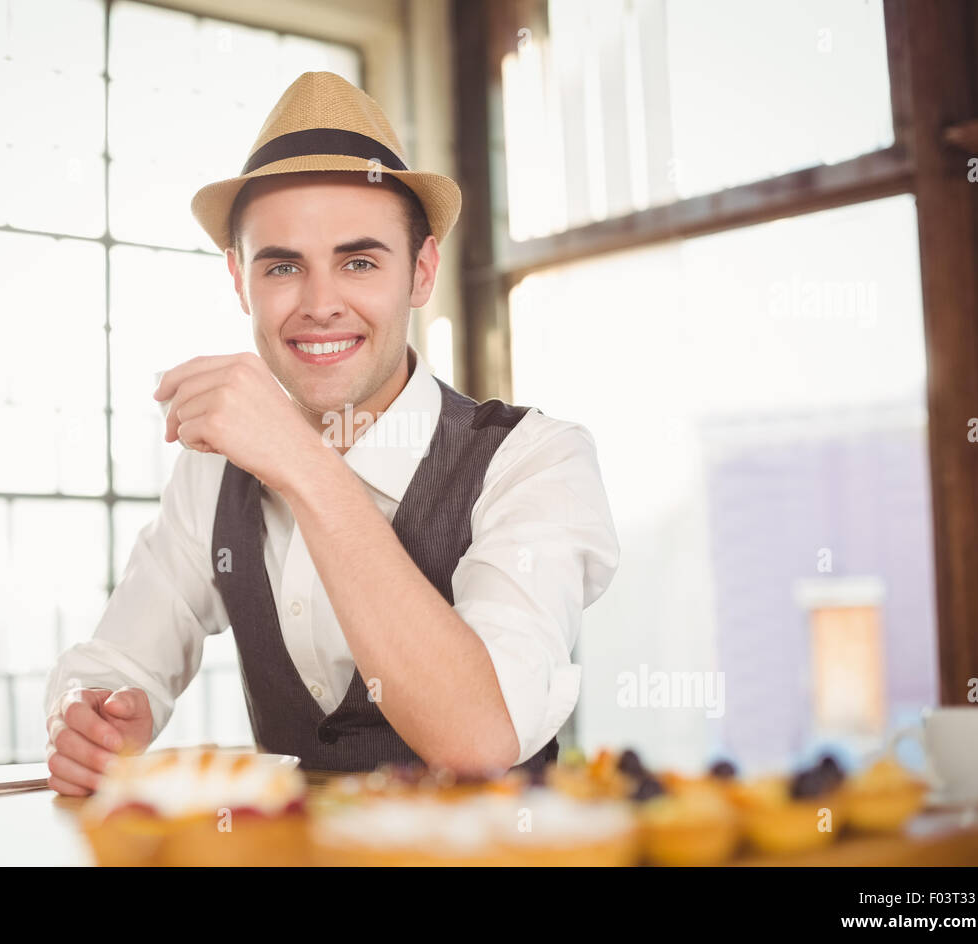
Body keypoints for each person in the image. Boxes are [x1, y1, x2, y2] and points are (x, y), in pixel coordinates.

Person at [43, 71, 619, 795]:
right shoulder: (212, 474)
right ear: (238, 280)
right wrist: (89, 715)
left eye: (358, 261)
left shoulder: (535, 463)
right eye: (283, 266)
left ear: (421, 271)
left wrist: (302, 463)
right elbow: (117, 664)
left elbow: (479, 740)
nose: (320, 305)